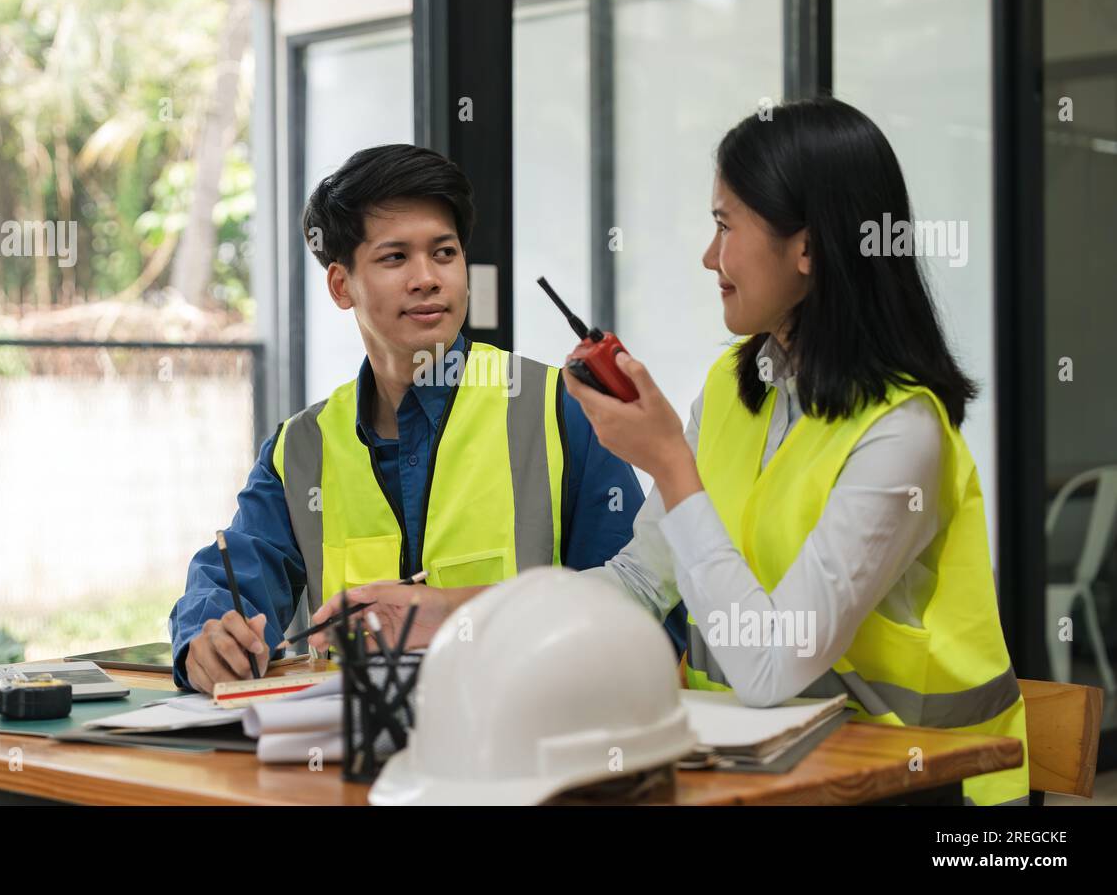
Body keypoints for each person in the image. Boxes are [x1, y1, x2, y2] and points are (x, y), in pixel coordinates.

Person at [334, 100, 1029, 806]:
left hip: (932, 791)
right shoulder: (734, 388)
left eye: (726, 226)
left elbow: (768, 664)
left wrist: (668, 462)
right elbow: (639, 585)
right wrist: (442, 612)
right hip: (770, 778)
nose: (709, 257)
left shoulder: (903, 433)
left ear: (808, 248)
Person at [169, 143, 687, 693]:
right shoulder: (299, 450)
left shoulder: (564, 411)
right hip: (350, 761)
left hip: (529, 752)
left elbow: (640, 614)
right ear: (341, 285)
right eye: (395, 258)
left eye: (444, 253)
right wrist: (209, 638)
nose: (427, 278)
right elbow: (237, 571)